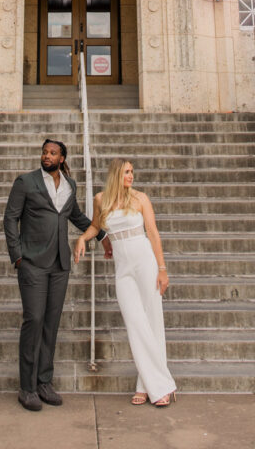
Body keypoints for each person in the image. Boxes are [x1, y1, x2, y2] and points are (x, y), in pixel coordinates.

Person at [3, 137, 112, 412]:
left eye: (52, 153)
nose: (47, 156)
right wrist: (18, 257)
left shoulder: (69, 186)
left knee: (51, 323)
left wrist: (101, 235)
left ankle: (44, 382)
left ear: (62, 158)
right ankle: (26, 388)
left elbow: (76, 216)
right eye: (44, 152)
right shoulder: (25, 182)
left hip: (60, 265)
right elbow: (10, 219)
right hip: (32, 263)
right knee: (34, 320)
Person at [74, 157, 176, 407]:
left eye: (132, 171)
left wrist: (162, 268)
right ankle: (156, 383)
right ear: (116, 175)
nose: (131, 176)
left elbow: (152, 233)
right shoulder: (101, 200)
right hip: (123, 269)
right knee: (135, 324)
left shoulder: (140, 199)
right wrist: (82, 239)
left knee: (152, 322)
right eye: (127, 172)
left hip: (146, 263)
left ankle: (150, 385)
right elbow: (97, 227)